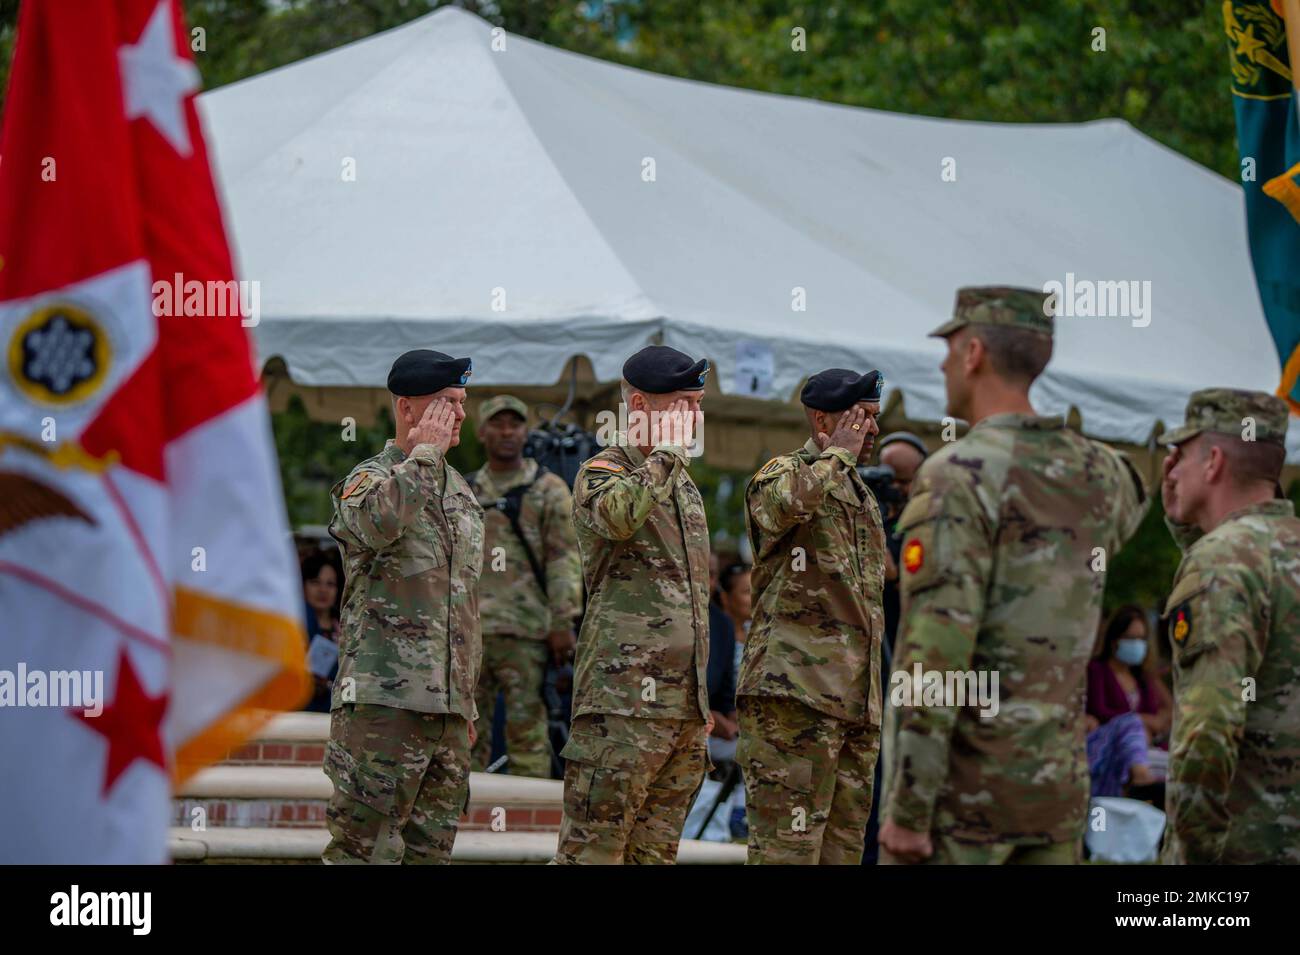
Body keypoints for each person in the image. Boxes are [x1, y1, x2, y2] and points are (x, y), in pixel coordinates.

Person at [879, 286, 1148, 866]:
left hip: (966, 805)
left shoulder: (957, 474)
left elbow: (935, 658)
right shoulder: (1100, 473)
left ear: (974, 352)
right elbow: (1137, 494)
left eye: (949, 349)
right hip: (1055, 798)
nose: (943, 364)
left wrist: (906, 810)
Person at [322, 349, 484, 865]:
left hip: (448, 713)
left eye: (461, 403)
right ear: (407, 409)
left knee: (431, 855)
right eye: (445, 404)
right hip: (382, 707)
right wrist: (426, 455)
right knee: (361, 853)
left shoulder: (460, 492)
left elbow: (464, 608)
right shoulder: (369, 479)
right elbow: (375, 525)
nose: (458, 415)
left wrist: (466, 703)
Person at [554, 345, 713, 865]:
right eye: (684, 404)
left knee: (655, 856)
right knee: (593, 852)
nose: (694, 417)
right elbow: (617, 518)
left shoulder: (683, 483)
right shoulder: (602, 471)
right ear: (640, 404)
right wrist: (664, 455)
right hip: (621, 706)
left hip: (681, 710)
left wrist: (702, 705)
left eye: (698, 404)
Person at [737, 368, 887, 864]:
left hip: (853, 700)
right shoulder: (783, 472)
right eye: (863, 419)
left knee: (841, 853)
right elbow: (783, 508)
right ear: (823, 418)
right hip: (795, 693)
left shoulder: (861, 497)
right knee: (786, 851)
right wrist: (837, 453)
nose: (874, 432)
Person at [1157, 387, 1300, 864]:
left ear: (1213, 461)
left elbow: (1208, 729)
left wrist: (1194, 854)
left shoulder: (1220, 563)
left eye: (1179, 455)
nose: (1171, 470)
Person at [468, 395, 581, 778]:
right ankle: (464, 825)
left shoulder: (548, 489)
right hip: (473, 632)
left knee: (528, 736)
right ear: (481, 432)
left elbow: (563, 558)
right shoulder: (466, 490)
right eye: (497, 424)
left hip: (529, 631)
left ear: (525, 432)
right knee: (466, 737)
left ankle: (523, 825)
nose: (506, 432)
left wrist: (562, 620)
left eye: (514, 425)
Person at [1085, 605, 1171, 797]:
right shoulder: (1097, 670)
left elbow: (1163, 716)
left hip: (1140, 749)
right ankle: (1140, 778)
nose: (1137, 645)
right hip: (1105, 745)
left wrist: (1154, 679)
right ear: (1114, 641)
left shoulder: (1141, 678)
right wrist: (1142, 721)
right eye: (1131, 639)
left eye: (1141, 639)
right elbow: (1100, 711)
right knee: (1130, 723)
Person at [302, 549, 343, 713]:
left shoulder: (346, 627)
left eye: (330, 584)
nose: (323, 590)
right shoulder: (296, 623)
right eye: (315, 582)